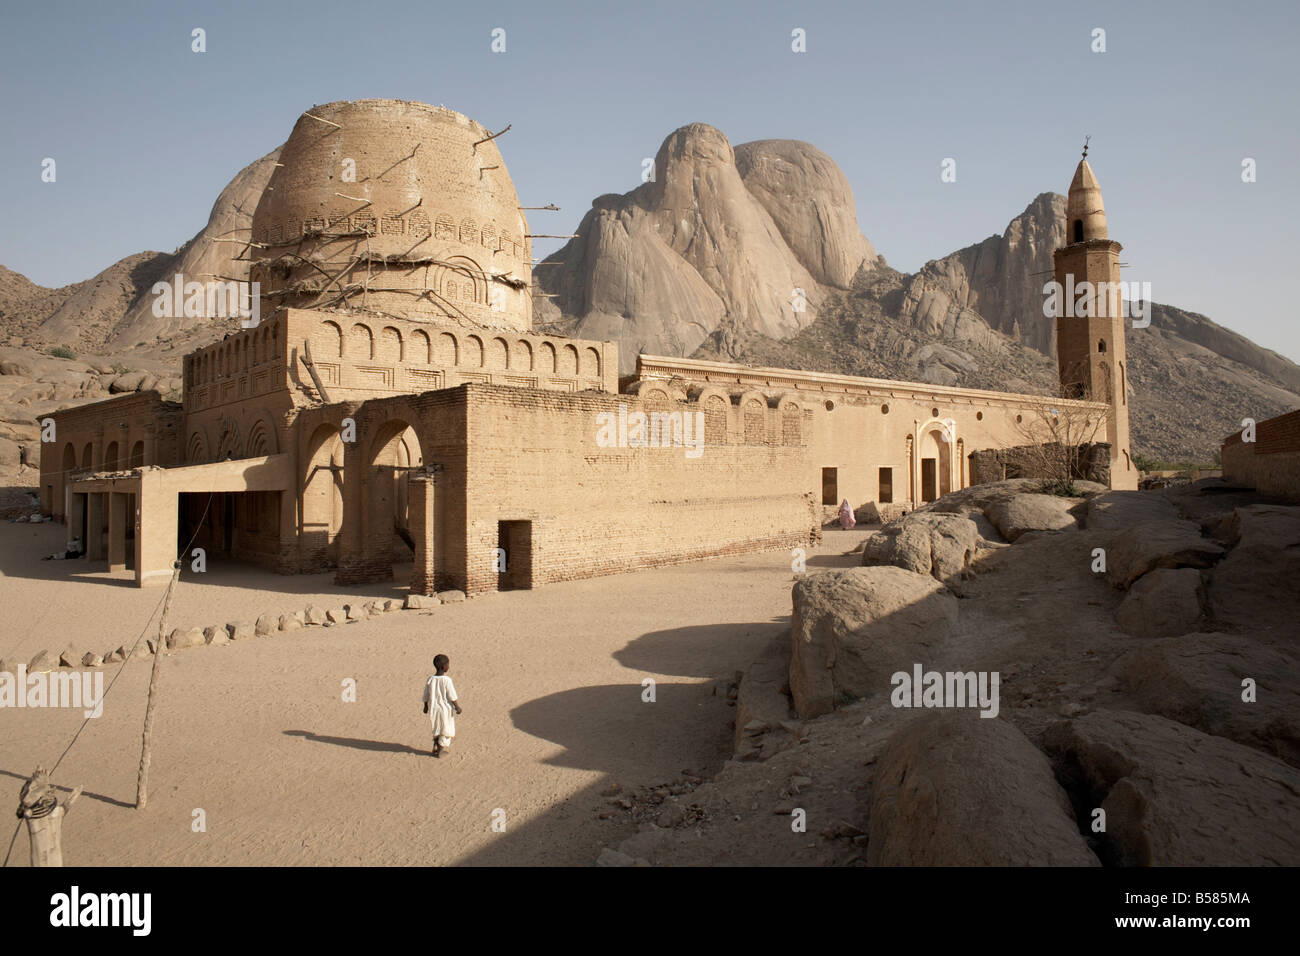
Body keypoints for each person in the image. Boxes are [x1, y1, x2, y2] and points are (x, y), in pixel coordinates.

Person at [422, 654, 462, 758]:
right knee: (446, 728)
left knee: (437, 726)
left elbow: (426, 694)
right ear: (443, 667)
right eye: (448, 664)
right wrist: (457, 706)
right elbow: (452, 695)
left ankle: (436, 744)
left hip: (434, 708)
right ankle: (441, 748)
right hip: (445, 709)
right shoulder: (447, 680)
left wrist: (425, 706)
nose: (449, 666)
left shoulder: (430, 679)